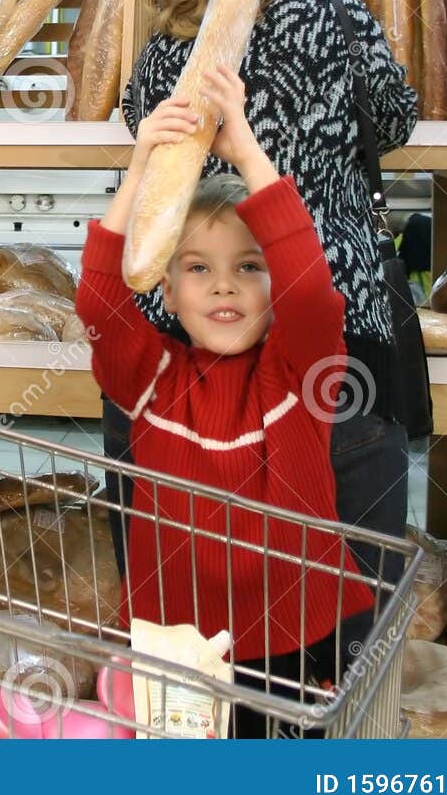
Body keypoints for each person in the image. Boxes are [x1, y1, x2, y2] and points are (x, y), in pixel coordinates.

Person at [113, 0, 420, 584]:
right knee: (343, 579)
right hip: (326, 340)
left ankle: (207, 698)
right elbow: (397, 119)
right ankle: (327, 691)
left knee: (198, 587)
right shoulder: (341, 24)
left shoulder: (167, 55)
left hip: (191, 350)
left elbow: (138, 129)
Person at [76, 66, 375, 738]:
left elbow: (312, 294)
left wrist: (246, 151)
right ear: (169, 291)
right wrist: (141, 164)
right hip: (178, 647)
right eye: (197, 267)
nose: (223, 287)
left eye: (249, 265)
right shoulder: (150, 377)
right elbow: (98, 301)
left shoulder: (297, 375)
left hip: (296, 636)